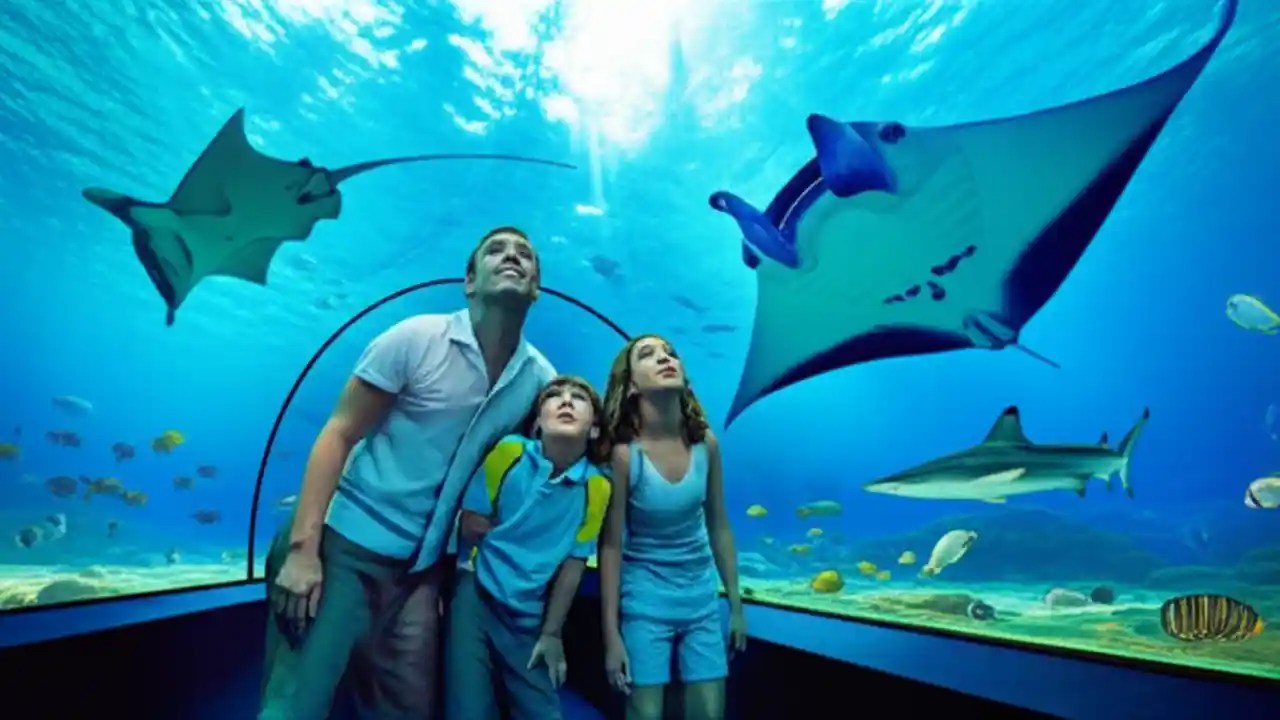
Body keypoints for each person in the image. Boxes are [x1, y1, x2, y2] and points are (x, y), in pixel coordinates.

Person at [259, 226, 556, 720]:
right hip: (343, 546)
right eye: (496, 251)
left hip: (422, 572)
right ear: (469, 281)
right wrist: (302, 552)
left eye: (525, 254)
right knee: (297, 701)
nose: (512, 257)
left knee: (409, 709)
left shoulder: (539, 380)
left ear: (536, 288)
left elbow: (544, 462)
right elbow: (339, 433)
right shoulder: (416, 338)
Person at [445, 375, 612, 720]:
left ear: (595, 429)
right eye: (554, 396)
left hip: (529, 611)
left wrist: (552, 632)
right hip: (476, 593)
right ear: (537, 423)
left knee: (543, 709)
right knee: (468, 707)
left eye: (579, 398)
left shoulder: (596, 488)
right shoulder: (510, 452)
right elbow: (471, 523)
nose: (566, 401)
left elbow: (573, 565)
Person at [598, 334, 746, 720]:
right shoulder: (624, 457)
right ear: (631, 385)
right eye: (648, 355)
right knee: (645, 713)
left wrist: (735, 604)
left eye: (671, 353)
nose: (665, 358)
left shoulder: (706, 444)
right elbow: (610, 545)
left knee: (709, 713)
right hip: (645, 598)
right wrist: (611, 634)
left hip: (700, 597)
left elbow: (719, 524)